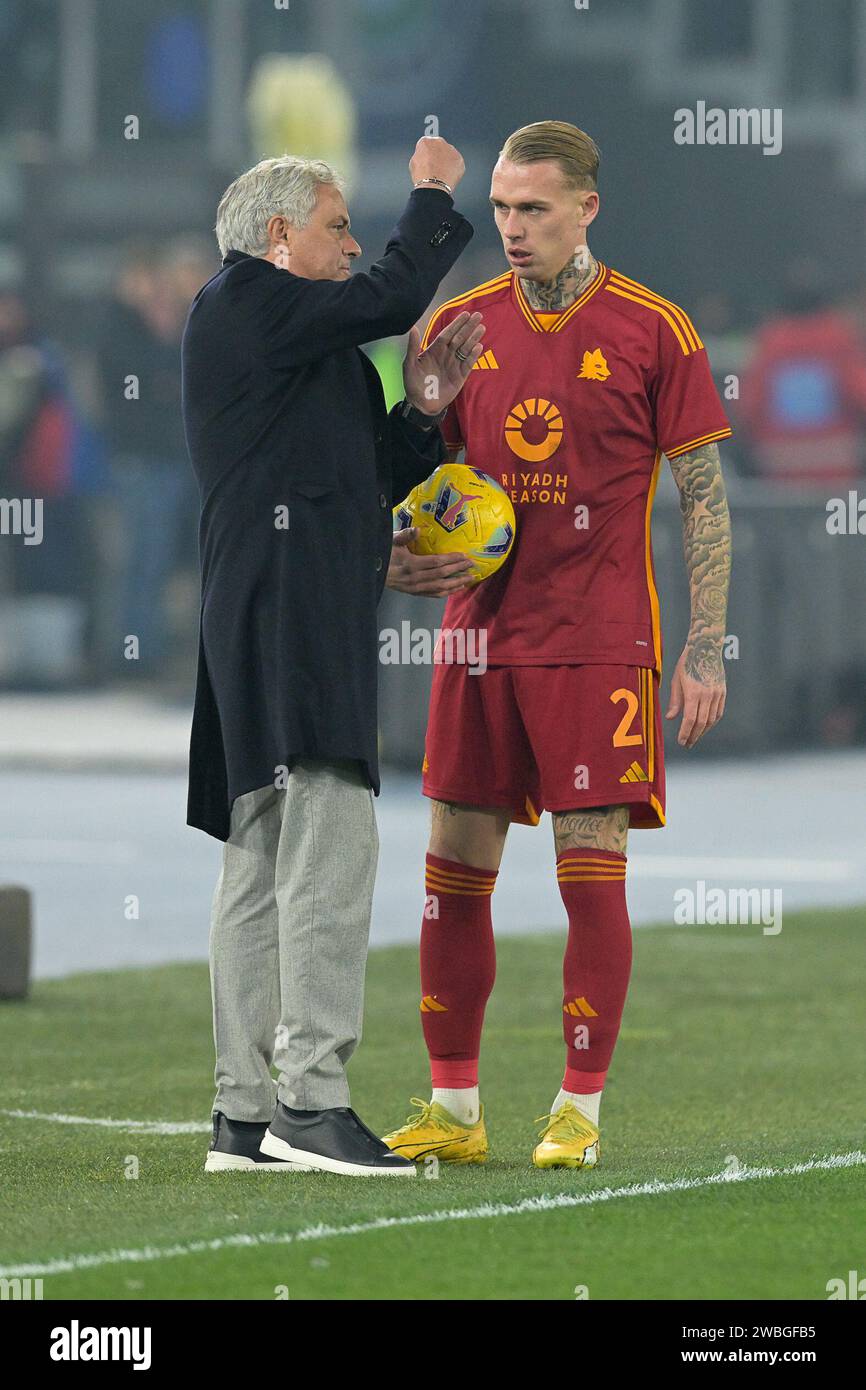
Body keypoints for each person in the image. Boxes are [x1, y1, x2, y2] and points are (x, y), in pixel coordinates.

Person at [382, 120, 734, 1170]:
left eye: (532, 208)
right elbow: (410, 468)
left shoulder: (650, 328)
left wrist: (706, 646)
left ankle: (575, 1110)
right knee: (450, 872)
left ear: (586, 207)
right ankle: (455, 1106)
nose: (511, 227)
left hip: (594, 640)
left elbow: (704, 498)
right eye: (498, 208)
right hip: (476, 638)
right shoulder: (459, 324)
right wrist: (395, 546)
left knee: (591, 872)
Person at [183, 139, 484, 1176]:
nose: (353, 246)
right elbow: (395, 292)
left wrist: (425, 409)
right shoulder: (241, 302)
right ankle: (309, 1103)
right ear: (277, 238)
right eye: (337, 226)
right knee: (327, 843)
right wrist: (432, 194)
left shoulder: (308, 352)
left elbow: (376, 473)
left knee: (262, 861)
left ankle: (241, 1118)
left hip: (269, 609)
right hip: (291, 617)